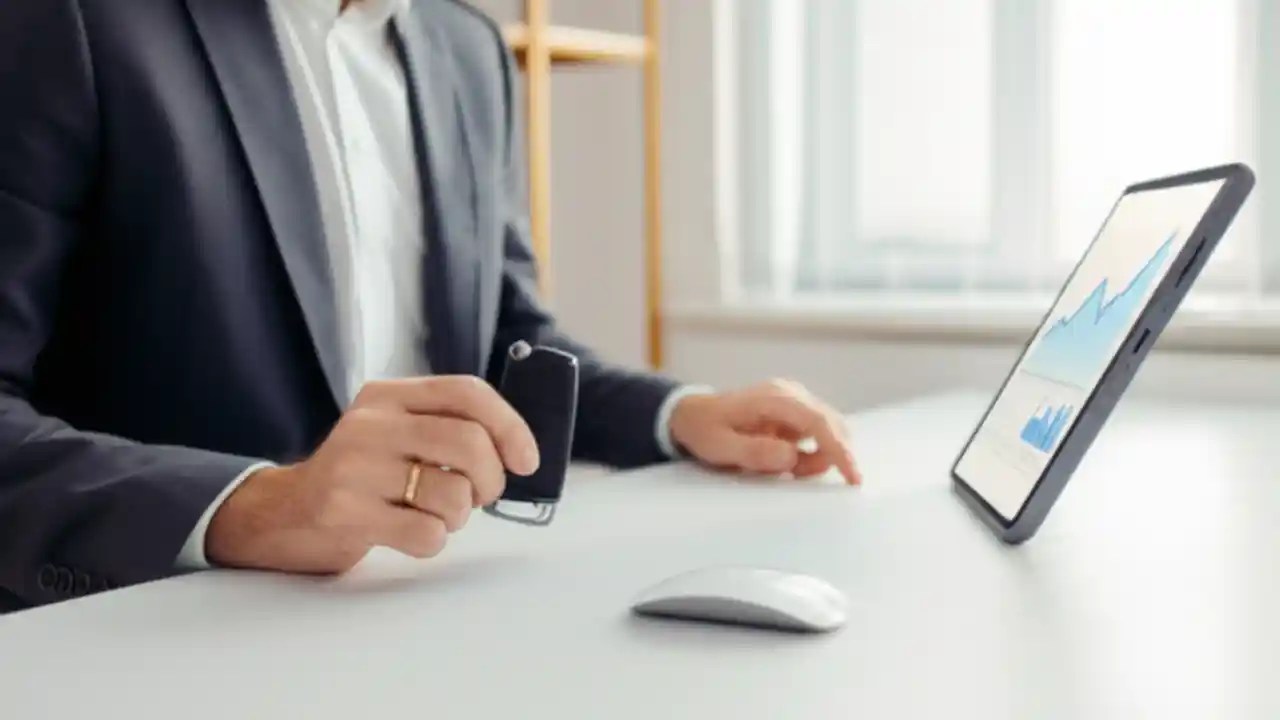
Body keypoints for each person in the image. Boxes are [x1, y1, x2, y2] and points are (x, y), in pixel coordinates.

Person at [0, 0, 860, 612]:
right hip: (159, 631)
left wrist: (683, 415)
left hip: (422, 607)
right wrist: (257, 507)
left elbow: (507, 346)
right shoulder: (68, 21)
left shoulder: (467, 50)